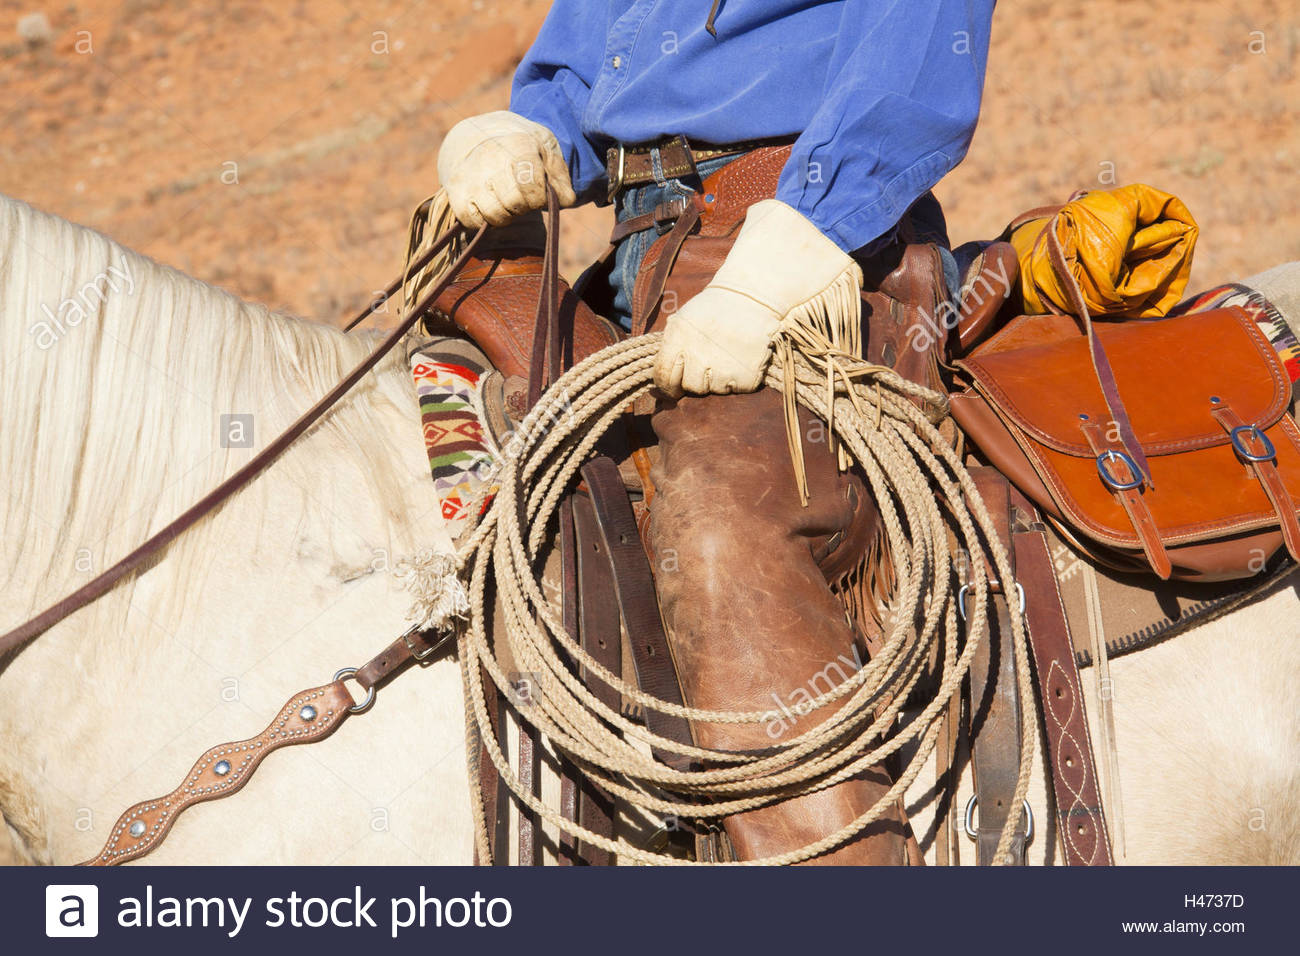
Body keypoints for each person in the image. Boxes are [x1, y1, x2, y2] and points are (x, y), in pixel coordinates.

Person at [436, 1, 995, 864]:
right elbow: (591, 65)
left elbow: (913, 68)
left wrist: (790, 254)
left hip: (817, 234)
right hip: (641, 252)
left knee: (719, 524)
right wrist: (525, 135)